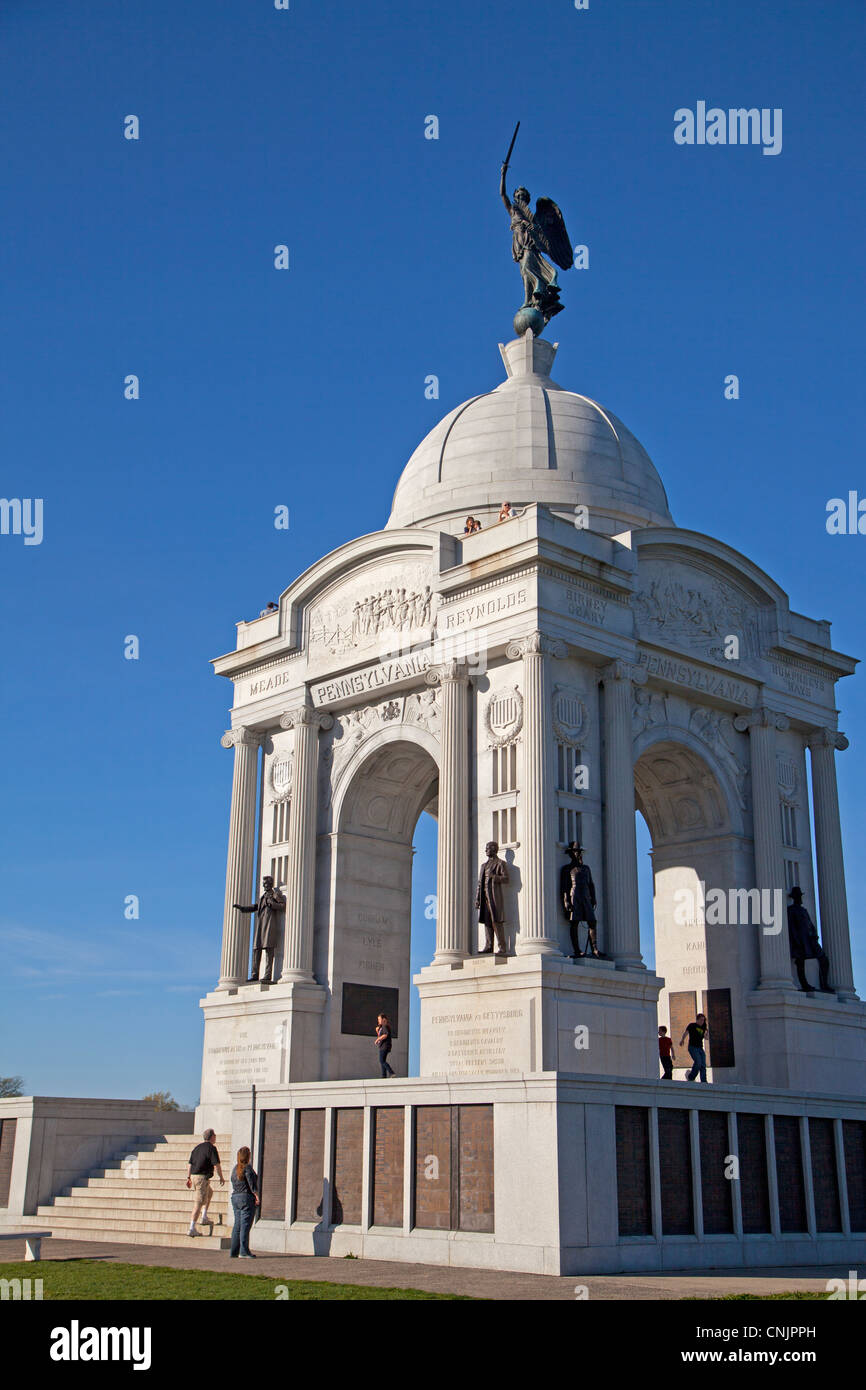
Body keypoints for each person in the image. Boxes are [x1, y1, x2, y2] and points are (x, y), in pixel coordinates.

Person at [234, 874, 286, 983]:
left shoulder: (274, 895)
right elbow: (255, 907)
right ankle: (254, 974)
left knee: (268, 950)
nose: (264, 886)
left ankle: (267, 975)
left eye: (266, 884)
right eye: (263, 884)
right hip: (261, 925)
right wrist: (242, 908)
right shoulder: (263, 897)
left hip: (269, 925)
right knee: (256, 949)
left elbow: (282, 905)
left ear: (270, 884)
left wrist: (272, 904)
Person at [787, 886, 832, 993]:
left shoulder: (803, 910)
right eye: (799, 896)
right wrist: (796, 940)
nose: (800, 898)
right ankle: (804, 984)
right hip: (800, 940)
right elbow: (792, 926)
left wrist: (815, 935)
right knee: (800, 961)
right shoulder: (792, 910)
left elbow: (810, 924)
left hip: (810, 939)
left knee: (823, 959)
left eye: (800, 896)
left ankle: (824, 983)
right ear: (795, 897)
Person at [559, 842, 599, 958]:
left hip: (586, 897)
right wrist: (566, 901)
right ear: (571, 854)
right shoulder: (567, 869)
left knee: (592, 921)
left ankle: (595, 949)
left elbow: (591, 884)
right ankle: (577, 950)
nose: (578, 854)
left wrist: (594, 898)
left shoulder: (586, 868)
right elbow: (565, 887)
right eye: (576, 852)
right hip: (574, 897)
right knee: (574, 923)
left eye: (579, 852)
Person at [186, 1128, 224, 1236]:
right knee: (198, 1203)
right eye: (215, 1135)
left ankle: (204, 1216)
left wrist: (188, 1177)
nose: (215, 1136)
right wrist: (221, 1177)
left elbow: (189, 1164)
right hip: (201, 1178)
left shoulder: (197, 1148)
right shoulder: (211, 1148)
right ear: (212, 1136)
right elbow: (216, 1164)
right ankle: (192, 1228)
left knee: (210, 1193)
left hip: (194, 1176)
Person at [476, 841, 510, 955]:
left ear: (494, 849)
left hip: (494, 897)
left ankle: (502, 947)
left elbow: (506, 878)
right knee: (486, 921)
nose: (486, 850)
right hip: (484, 897)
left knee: (496, 921)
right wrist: (477, 899)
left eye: (488, 848)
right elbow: (479, 883)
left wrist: (494, 877)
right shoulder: (483, 866)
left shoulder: (500, 863)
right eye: (486, 848)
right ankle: (489, 946)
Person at [229, 1146, 259, 1258]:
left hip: (235, 1198)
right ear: (248, 1156)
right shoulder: (247, 1168)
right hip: (246, 1198)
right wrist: (257, 1196)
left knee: (237, 1225)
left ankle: (234, 1251)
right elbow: (252, 1184)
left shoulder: (235, 1169)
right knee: (245, 1226)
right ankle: (244, 1251)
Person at [679, 1013, 709, 1083]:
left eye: (703, 1020)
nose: (702, 1022)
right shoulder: (692, 1025)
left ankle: (704, 1080)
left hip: (700, 1048)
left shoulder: (703, 1028)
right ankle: (691, 1077)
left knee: (703, 1064)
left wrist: (707, 1033)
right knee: (698, 1062)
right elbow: (686, 1033)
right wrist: (682, 1040)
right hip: (692, 1047)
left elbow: (706, 1038)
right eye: (701, 1020)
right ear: (697, 1020)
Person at [375, 1013, 395, 1077]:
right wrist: (377, 1031)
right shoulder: (381, 1027)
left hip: (384, 1046)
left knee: (382, 1060)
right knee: (382, 1061)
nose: (378, 1020)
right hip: (382, 1046)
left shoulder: (384, 1026)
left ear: (383, 1019)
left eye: (379, 1019)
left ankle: (391, 1072)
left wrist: (377, 1040)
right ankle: (384, 1076)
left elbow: (385, 1035)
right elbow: (380, 1036)